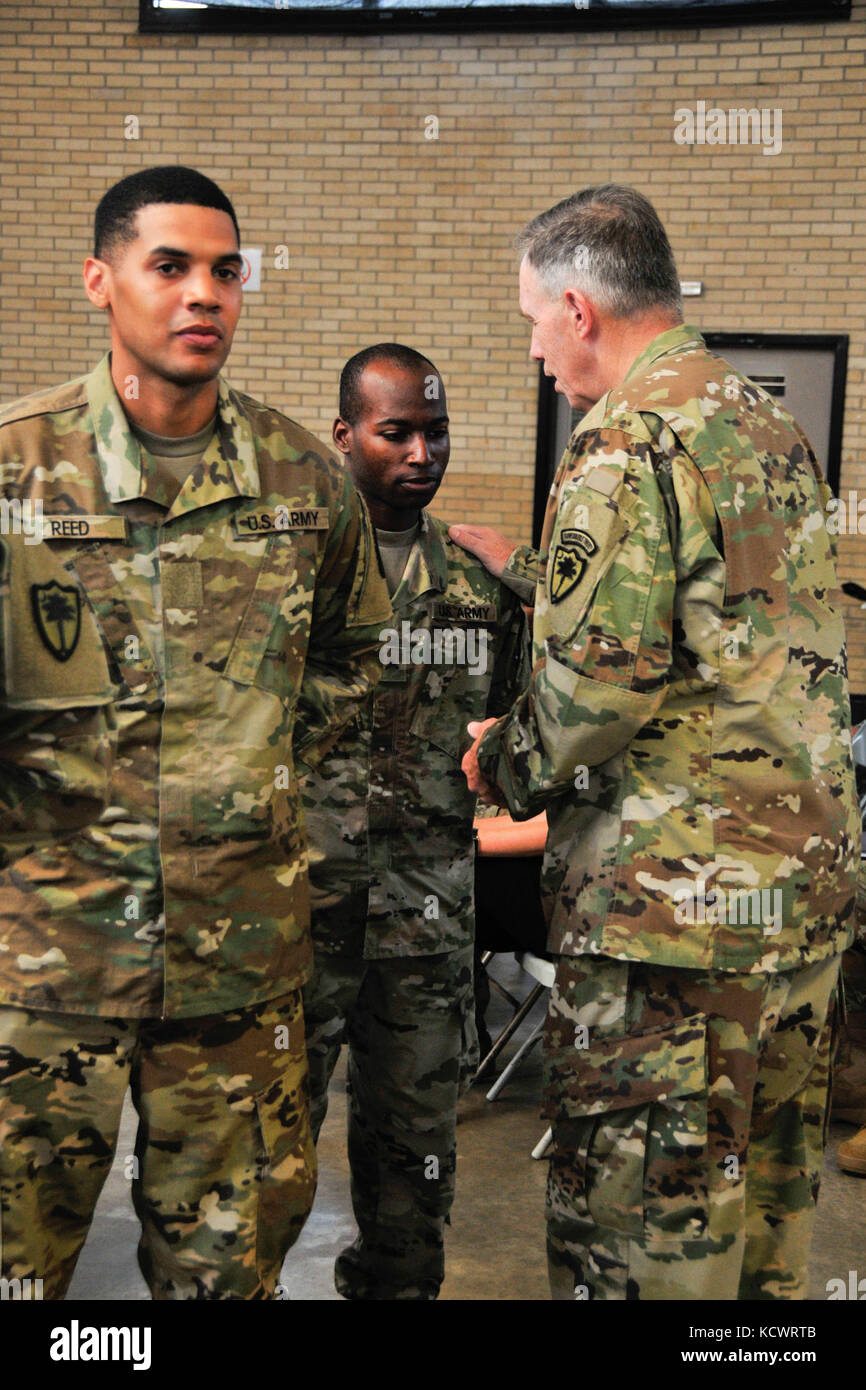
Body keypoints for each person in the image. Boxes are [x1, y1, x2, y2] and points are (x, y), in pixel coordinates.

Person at [456, 184, 860, 1300]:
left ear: (577, 309)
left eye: (533, 322)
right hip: (801, 908)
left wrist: (496, 762)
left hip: (671, 932)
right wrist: (527, 574)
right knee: (766, 1239)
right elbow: (719, 621)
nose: (535, 349)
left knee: (642, 1244)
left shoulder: (621, 440)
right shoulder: (760, 418)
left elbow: (597, 689)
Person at [0, 166, 391, 1300]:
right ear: (99, 281)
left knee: (226, 1282)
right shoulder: (17, 470)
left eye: (224, 269)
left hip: (238, 969)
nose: (203, 294)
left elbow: (351, 659)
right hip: (41, 969)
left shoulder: (303, 479)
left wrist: (265, 801)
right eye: (168, 266)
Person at [300, 343, 528, 1299]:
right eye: (397, 432)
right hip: (298, 914)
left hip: (425, 927)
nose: (421, 452)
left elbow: (525, 742)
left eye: (436, 433)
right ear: (346, 433)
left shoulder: (482, 591)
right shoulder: (289, 573)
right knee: (258, 1153)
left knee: (416, 1159)